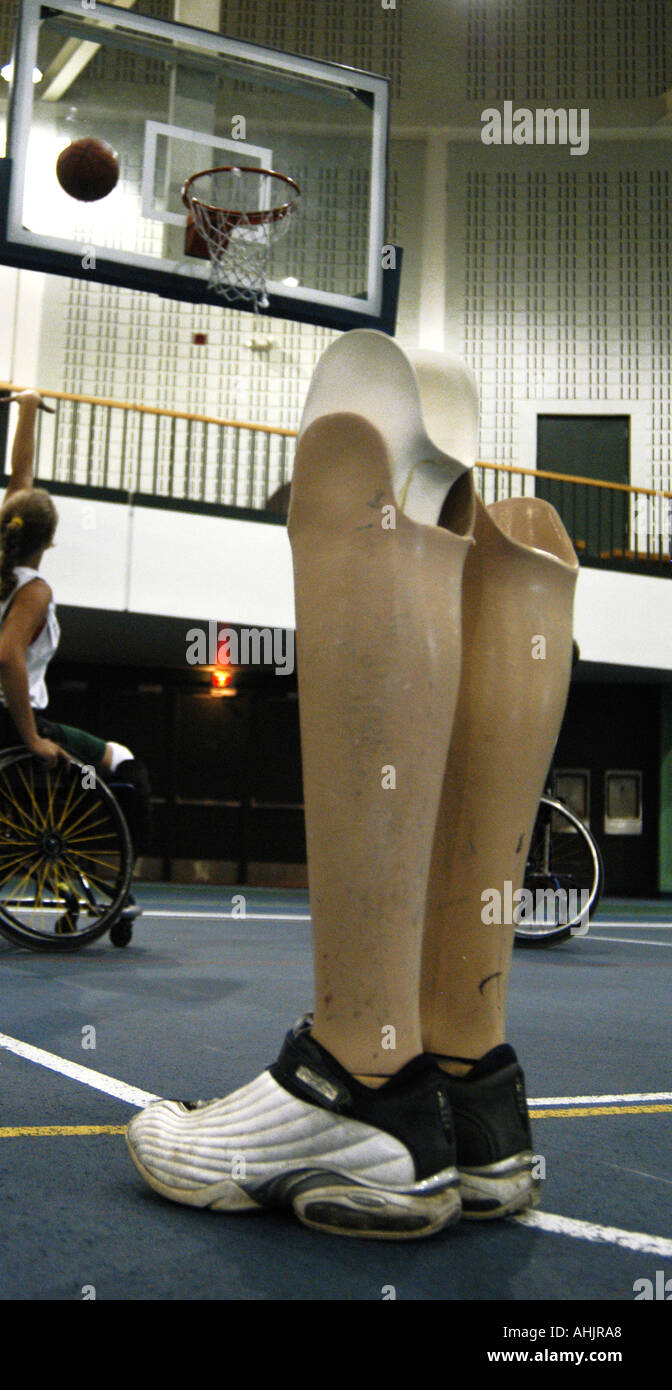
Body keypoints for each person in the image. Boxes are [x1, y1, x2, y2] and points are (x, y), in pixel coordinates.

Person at [125, 331, 578, 1239]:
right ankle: (466, 1078)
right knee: (505, 553)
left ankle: (359, 1072)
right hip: (477, 1079)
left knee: (357, 429)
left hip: (355, 1092)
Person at [0, 388, 150, 838]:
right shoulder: (34, 591)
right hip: (2, 723)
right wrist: (31, 738)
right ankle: (122, 876)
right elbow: (7, 658)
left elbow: (20, 476)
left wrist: (27, 406)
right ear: (49, 541)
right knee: (123, 760)